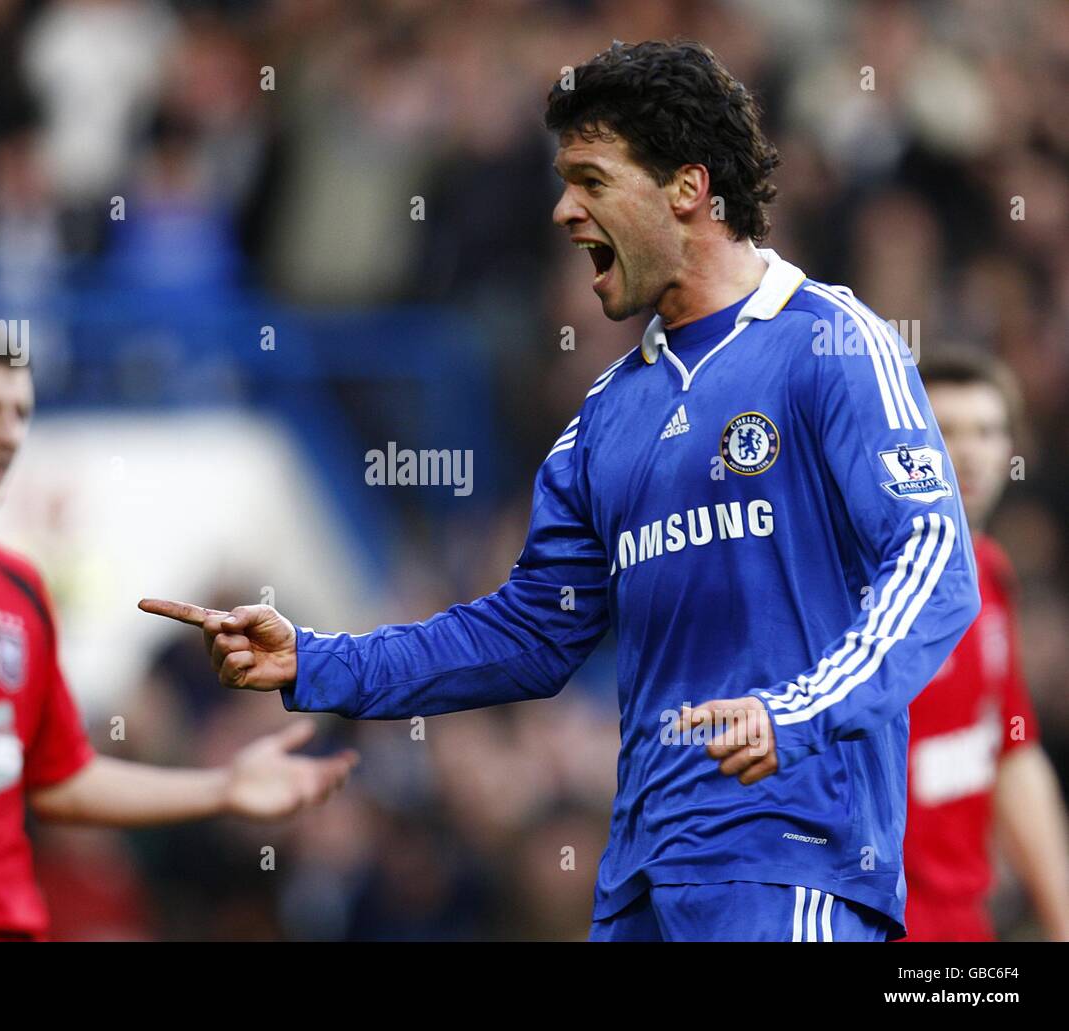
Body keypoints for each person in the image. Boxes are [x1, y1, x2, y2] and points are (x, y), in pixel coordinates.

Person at [142, 40, 980, 942]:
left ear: (687, 188)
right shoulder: (606, 419)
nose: (562, 211)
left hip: (788, 860)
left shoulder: (832, 342)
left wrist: (798, 710)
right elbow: (528, 631)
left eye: (590, 179)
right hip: (640, 881)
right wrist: (316, 660)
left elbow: (934, 562)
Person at [0, 323, 358, 941]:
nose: (6, 435)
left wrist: (224, 787)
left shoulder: (19, 590)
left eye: (19, 413)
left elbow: (61, 778)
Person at [901, 351, 1069, 941]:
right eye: (945, 430)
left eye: (989, 432)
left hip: (964, 922)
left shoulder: (992, 576)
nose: (970, 452)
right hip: (876, 918)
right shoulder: (857, 591)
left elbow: (1012, 750)